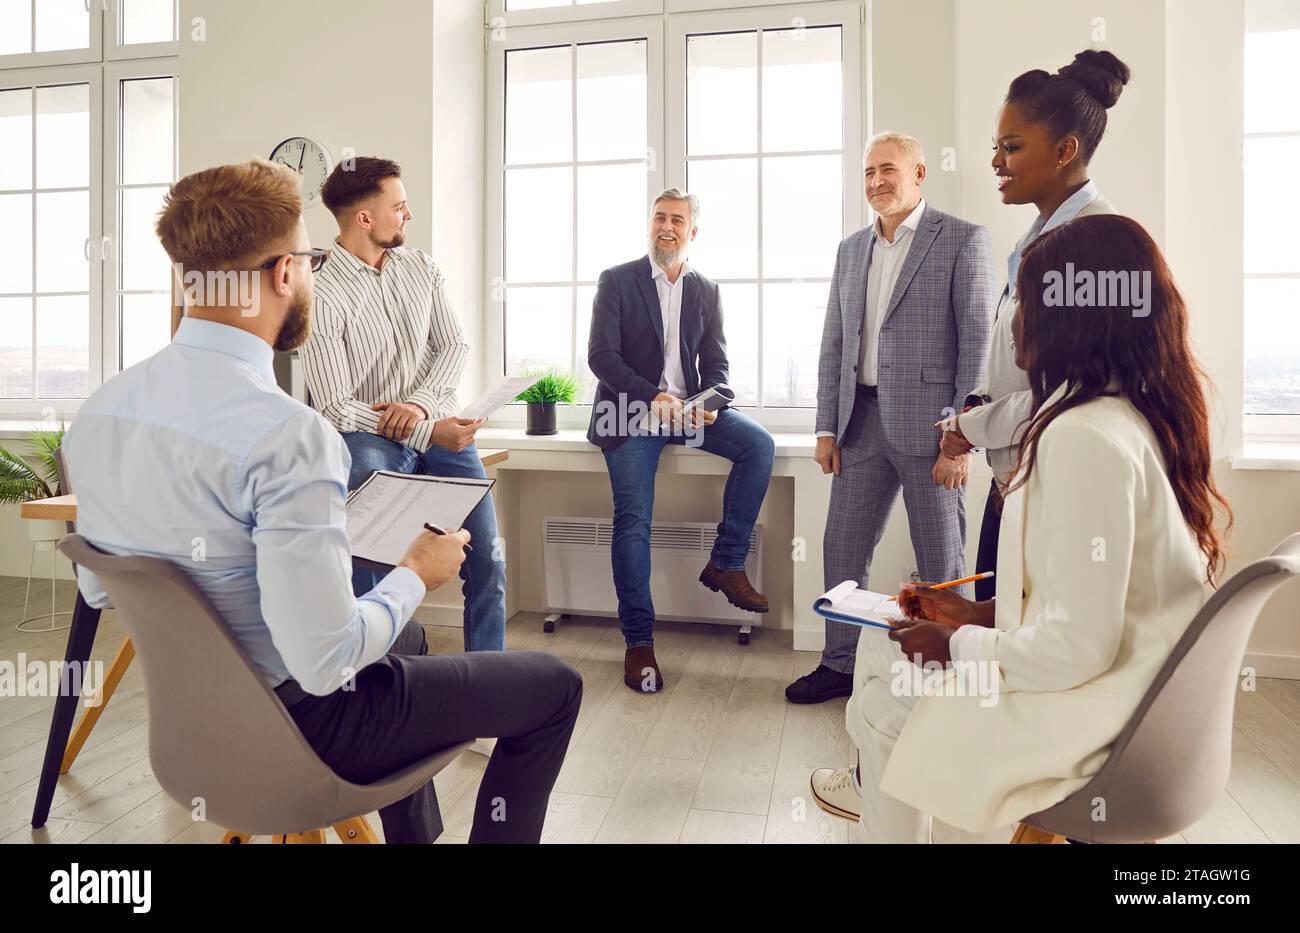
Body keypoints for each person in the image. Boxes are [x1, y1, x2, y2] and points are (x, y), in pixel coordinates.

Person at [64, 160, 581, 844]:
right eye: (309, 259)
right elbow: (327, 660)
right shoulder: (290, 435)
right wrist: (416, 572)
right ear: (285, 274)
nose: (313, 272)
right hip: (308, 736)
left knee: (411, 638)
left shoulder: (99, 415)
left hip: (189, 744)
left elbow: (100, 589)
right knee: (553, 686)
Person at [810, 214, 1232, 841]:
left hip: (1094, 716)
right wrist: (973, 615)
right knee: (882, 645)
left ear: (1076, 314)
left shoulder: (1082, 438)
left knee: (881, 702)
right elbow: (1084, 602)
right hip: (1131, 694)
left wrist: (954, 644)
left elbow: (1075, 649)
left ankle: (925, 809)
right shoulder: (1132, 415)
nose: (1012, 322)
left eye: (1026, 300)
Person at [789, 132, 994, 706]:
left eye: (888, 170)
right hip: (859, 424)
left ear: (919, 175)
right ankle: (838, 665)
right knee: (842, 550)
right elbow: (835, 342)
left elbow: (977, 345)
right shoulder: (851, 249)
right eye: (868, 172)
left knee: (940, 556)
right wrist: (826, 428)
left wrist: (960, 440)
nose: (877, 182)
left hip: (934, 431)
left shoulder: (961, 240)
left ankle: (948, 669)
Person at [941, 49, 1129, 602]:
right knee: (990, 623)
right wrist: (979, 405)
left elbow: (1077, 391)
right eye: (996, 148)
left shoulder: (1095, 244)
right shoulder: (1041, 240)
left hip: (1056, 482)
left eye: (1012, 147)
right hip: (1018, 476)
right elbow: (1022, 364)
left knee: (1015, 647)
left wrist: (970, 429)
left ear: (1066, 150)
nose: (997, 161)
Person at [301, 157, 506, 653]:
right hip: (370, 441)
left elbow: (452, 347)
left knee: (488, 559)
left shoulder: (421, 267)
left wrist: (417, 406)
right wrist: (424, 431)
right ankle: (375, 679)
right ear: (364, 219)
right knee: (367, 560)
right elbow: (333, 406)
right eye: (399, 207)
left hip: (441, 428)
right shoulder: (319, 293)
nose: (407, 216)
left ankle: (489, 680)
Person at [587, 187, 776, 693]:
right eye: (659, 218)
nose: (666, 227)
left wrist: (709, 404)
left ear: (693, 232)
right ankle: (639, 643)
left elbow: (717, 364)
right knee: (633, 522)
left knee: (759, 446)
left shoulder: (707, 290)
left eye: (677, 220)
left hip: (687, 414)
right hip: (629, 414)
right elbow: (601, 358)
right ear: (649, 225)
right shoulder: (617, 280)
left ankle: (726, 562)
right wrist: (654, 397)